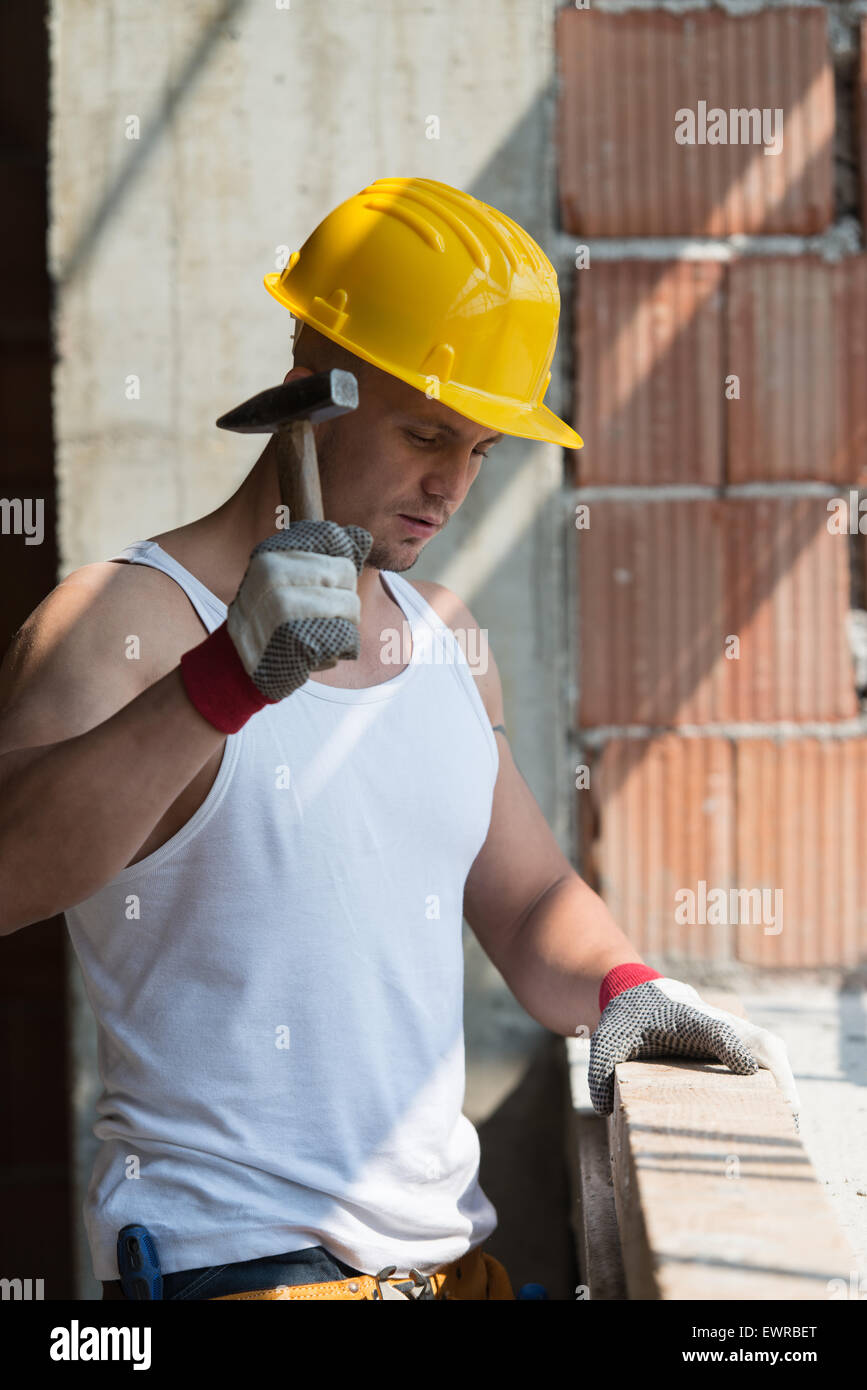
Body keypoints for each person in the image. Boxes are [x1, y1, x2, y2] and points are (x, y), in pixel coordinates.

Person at [0, 178, 799, 1301]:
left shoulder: (447, 638)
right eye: (426, 433)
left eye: (480, 449)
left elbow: (522, 900)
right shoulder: (125, 621)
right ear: (308, 397)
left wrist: (626, 986)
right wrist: (224, 680)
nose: (451, 485)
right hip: (233, 1268)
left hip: (443, 1269)